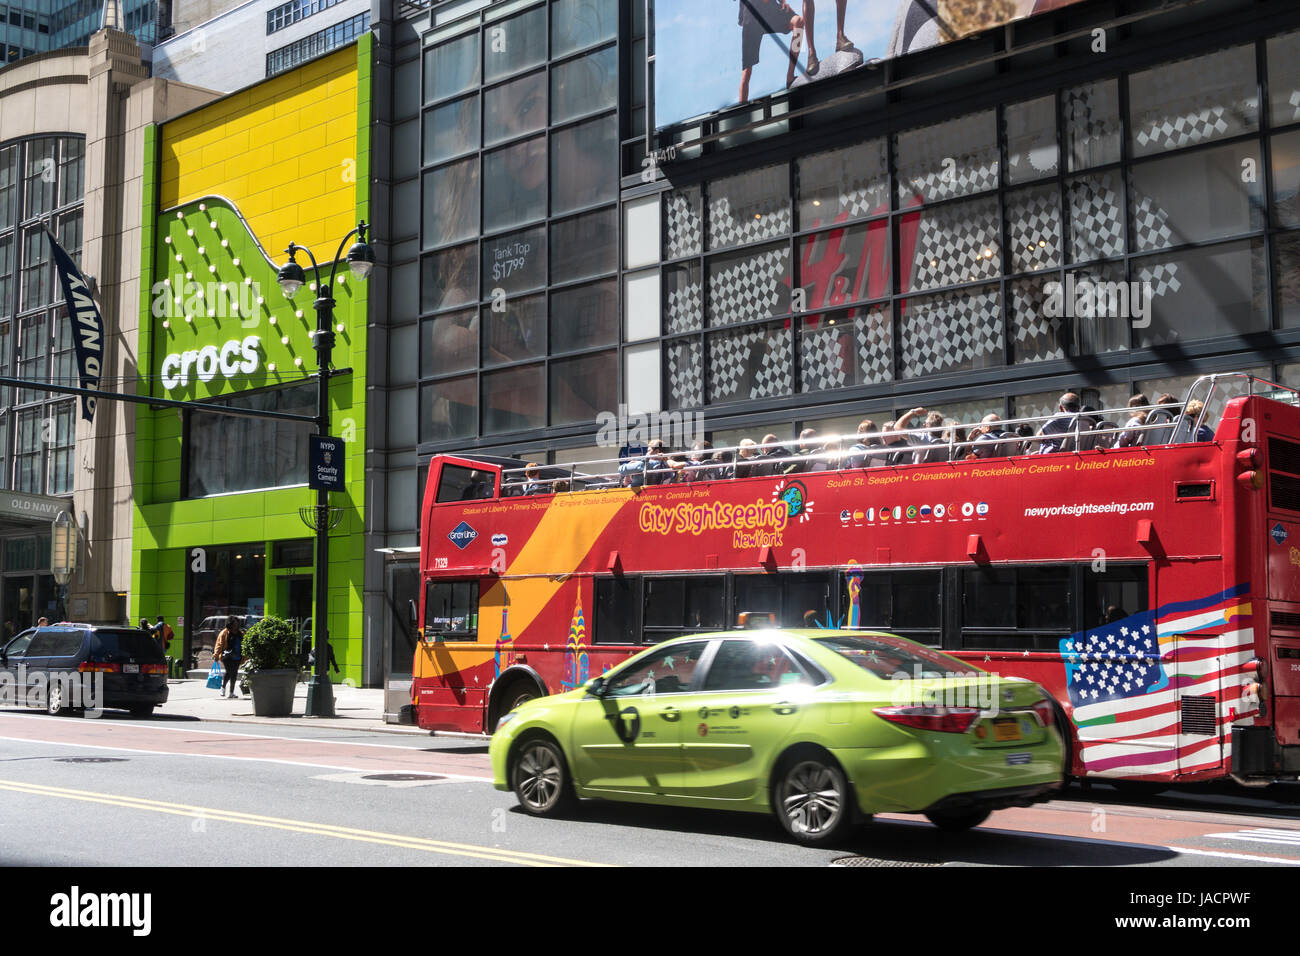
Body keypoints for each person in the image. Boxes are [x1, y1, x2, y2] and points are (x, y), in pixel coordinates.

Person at [738, 0, 805, 104]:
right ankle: (741, 107)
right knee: (746, 72)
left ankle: (790, 77)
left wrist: (783, 2)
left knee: (798, 22)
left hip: (771, 11)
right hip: (752, 18)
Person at [213, 616, 243, 699]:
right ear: (230, 624)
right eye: (234, 624)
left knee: (234, 674)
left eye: (237, 624)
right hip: (227, 656)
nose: (235, 626)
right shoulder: (224, 633)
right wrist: (216, 655)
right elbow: (219, 644)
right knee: (229, 672)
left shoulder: (240, 633)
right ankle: (223, 687)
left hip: (237, 656)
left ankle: (231, 692)